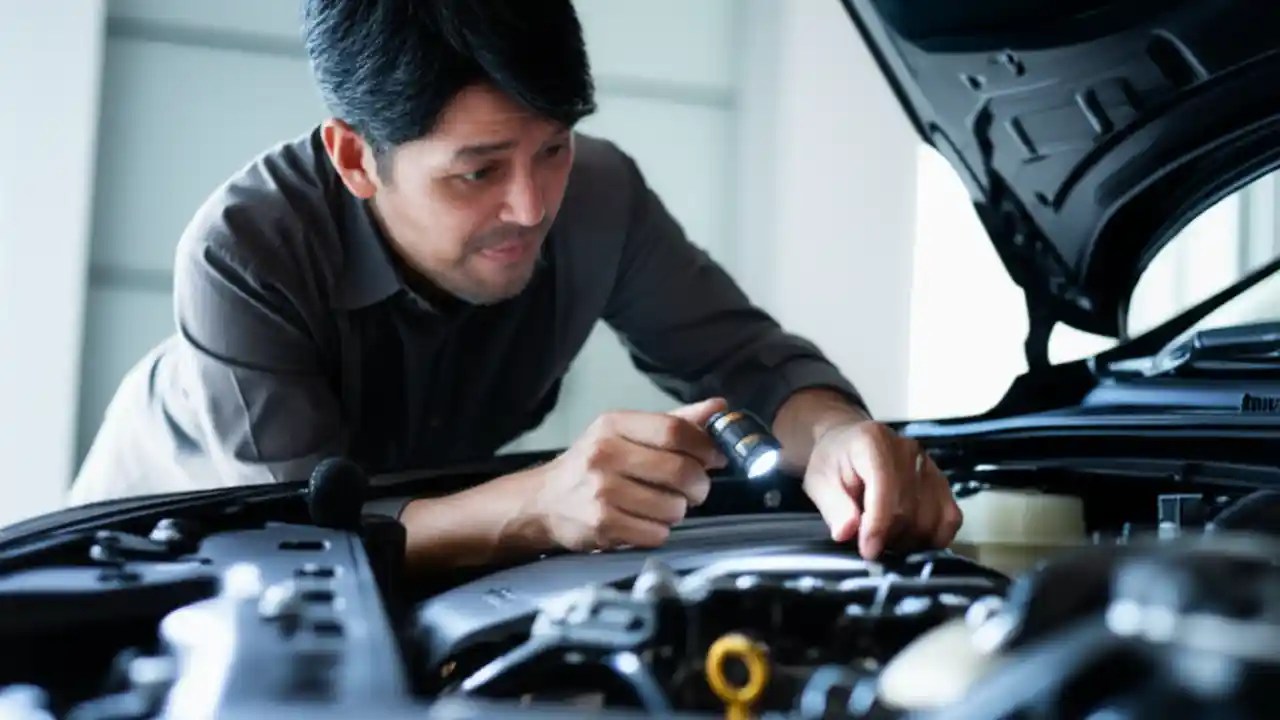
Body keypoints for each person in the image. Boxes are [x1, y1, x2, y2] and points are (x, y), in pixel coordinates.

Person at [69, 0, 961, 573]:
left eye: (552, 149)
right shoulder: (245, 251)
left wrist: (841, 436)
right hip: (156, 560)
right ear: (354, 158)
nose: (532, 207)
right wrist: (541, 501)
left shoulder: (603, 195)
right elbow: (305, 540)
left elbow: (755, 365)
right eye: (477, 172)